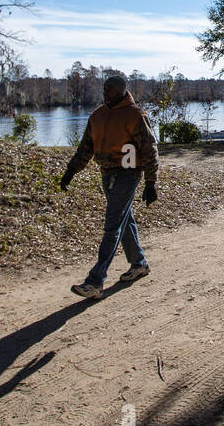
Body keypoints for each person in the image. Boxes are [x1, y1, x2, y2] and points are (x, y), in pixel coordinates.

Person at [59, 75, 158, 299]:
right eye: (104, 89)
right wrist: (71, 171)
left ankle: (95, 281)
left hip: (128, 174)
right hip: (107, 173)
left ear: (122, 91)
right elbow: (85, 148)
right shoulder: (98, 115)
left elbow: (149, 150)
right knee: (124, 219)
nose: (106, 93)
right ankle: (139, 263)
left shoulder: (135, 115)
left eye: (111, 89)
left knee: (113, 225)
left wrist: (151, 182)